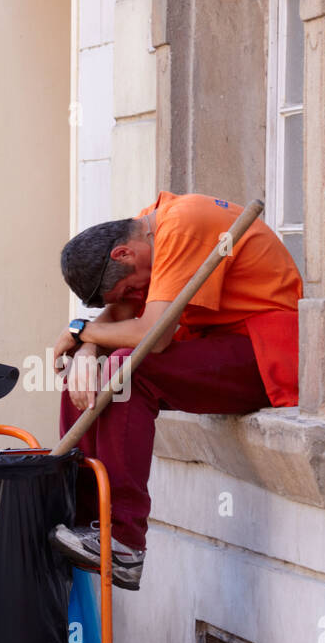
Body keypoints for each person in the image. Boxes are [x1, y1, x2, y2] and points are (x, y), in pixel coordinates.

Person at [49, 191, 302, 590]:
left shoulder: (182, 224)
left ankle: (124, 542)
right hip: (217, 343)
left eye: (131, 289)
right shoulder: (144, 230)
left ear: (122, 255)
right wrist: (89, 348)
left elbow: (154, 335)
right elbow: (121, 318)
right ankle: (80, 518)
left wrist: (83, 332)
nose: (137, 296)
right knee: (93, 371)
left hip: (265, 351)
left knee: (130, 370)